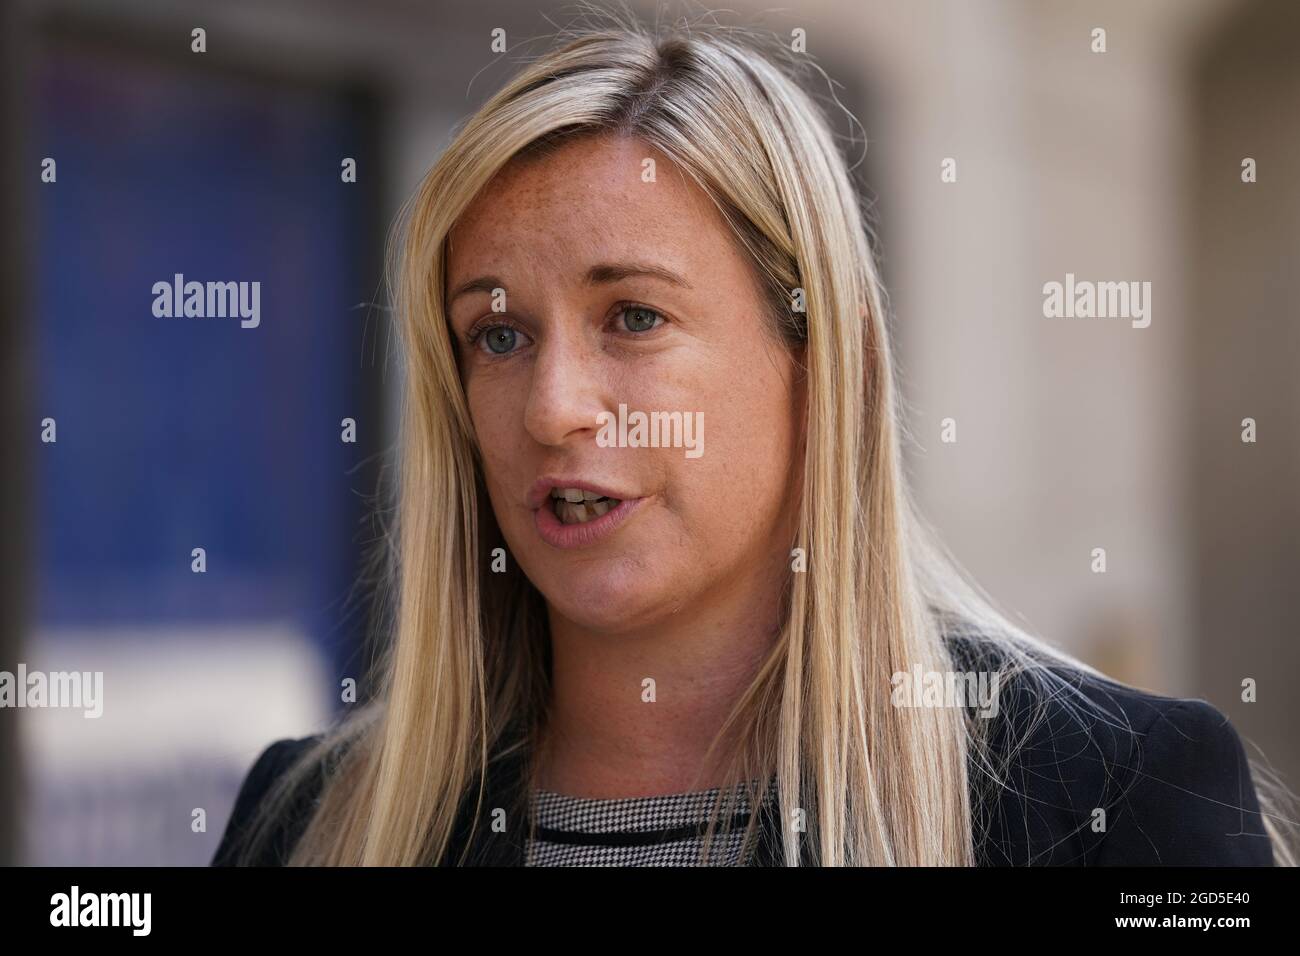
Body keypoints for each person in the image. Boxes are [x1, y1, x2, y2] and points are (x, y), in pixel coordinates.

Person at [212, 13, 1290, 867]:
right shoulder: (309, 818)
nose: (552, 407)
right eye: (496, 333)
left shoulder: (1109, 793)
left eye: (633, 316)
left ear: (821, 361)